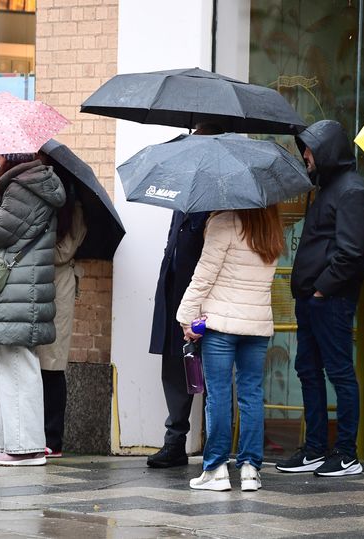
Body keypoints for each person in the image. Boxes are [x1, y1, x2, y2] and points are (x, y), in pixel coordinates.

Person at [276, 120, 364, 477]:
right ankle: (315, 449)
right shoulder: (326, 188)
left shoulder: (352, 192)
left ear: (328, 150)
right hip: (312, 299)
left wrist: (321, 289)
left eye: (310, 149)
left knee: (339, 373)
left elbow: (353, 252)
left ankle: (347, 454)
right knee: (308, 371)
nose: (305, 155)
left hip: (329, 300)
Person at [177, 205, 285, 491]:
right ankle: (250, 471)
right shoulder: (271, 226)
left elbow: (204, 276)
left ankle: (216, 468)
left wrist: (185, 316)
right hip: (257, 326)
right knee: (251, 395)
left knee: (219, 396)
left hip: (221, 326)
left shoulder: (223, 223)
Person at [0, 152, 65, 466]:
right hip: (23, 291)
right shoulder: (32, 184)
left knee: (17, 370)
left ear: (10, 157)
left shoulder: (22, 188)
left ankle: (23, 449)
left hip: (17, 292)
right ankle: (20, 445)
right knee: (18, 367)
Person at [147, 122, 222, 469]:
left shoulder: (222, 197)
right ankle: (175, 441)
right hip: (175, 293)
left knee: (216, 373)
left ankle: (218, 444)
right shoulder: (184, 194)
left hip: (208, 299)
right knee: (175, 369)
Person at [35, 175, 87, 458]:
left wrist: (34, 245)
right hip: (41, 285)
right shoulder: (47, 208)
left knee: (52, 363)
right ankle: (39, 433)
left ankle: (54, 438)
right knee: (38, 363)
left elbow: (63, 251)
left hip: (59, 288)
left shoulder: (74, 210)